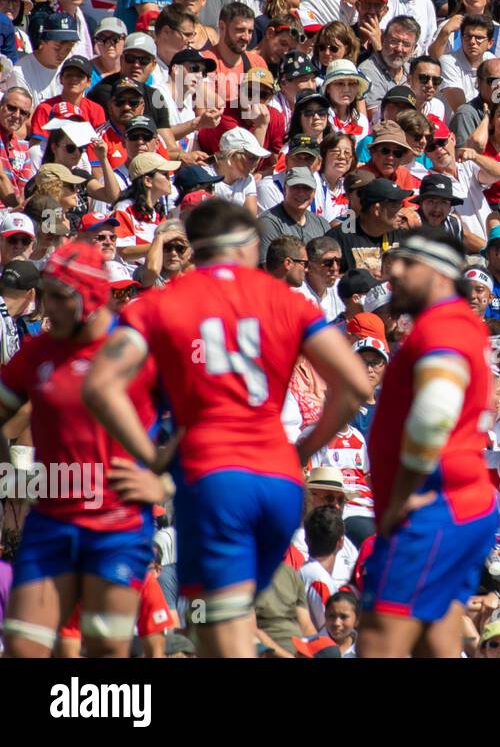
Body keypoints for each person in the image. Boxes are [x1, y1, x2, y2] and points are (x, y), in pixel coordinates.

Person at [82, 200, 370, 658]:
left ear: (196, 247)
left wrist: (154, 456)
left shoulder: (164, 302)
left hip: (214, 478)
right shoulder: (284, 299)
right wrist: (303, 450)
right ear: (248, 244)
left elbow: (99, 384)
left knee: (221, 631)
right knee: (229, 618)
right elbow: (355, 384)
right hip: (281, 482)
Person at [0, 242, 161, 658]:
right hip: (51, 519)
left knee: (105, 644)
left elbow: (199, 415)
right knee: (22, 644)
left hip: (116, 523)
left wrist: (165, 479)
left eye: (59, 296)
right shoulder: (38, 352)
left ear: (89, 298)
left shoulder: (134, 349)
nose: (47, 308)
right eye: (46, 294)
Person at [355, 226, 500, 657]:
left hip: (435, 506)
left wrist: (399, 497)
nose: (393, 271)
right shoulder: (457, 324)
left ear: (439, 274)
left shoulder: (444, 326)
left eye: (407, 262)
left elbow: (436, 412)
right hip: (459, 503)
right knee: (433, 639)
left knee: (380, 638)